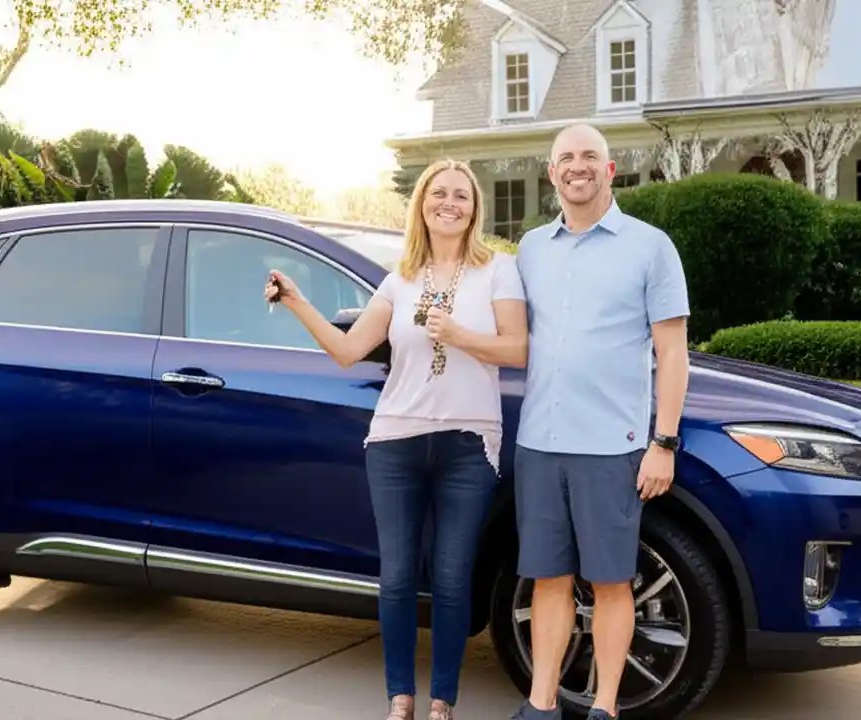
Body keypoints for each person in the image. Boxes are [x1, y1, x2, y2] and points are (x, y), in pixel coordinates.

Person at [264, 159, 528, 720]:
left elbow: (518, 350)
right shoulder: (399, 279)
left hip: (467, 443)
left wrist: (458, 334)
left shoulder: (498, 271)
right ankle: (400, 697)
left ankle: (443, 700)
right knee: (399, 575)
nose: (449, 202)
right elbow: (347, 351)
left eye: (461, 194)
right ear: (422, 204)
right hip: (396, 441)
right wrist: (295, 300)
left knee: (454, 577)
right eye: (438, 193)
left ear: (474, 207)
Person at [507, 124, 691, 720]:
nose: (577, 166)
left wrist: (663, 442)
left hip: (614, 447)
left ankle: (605, 707)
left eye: (590, 156)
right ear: (551, 172)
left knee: (613, 583)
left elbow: (673, 354)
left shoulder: (650, 246)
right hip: (539, 443)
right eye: (566, 158)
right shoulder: (531, 249)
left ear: (610, 170)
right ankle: (542, 706)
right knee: (548, 581)